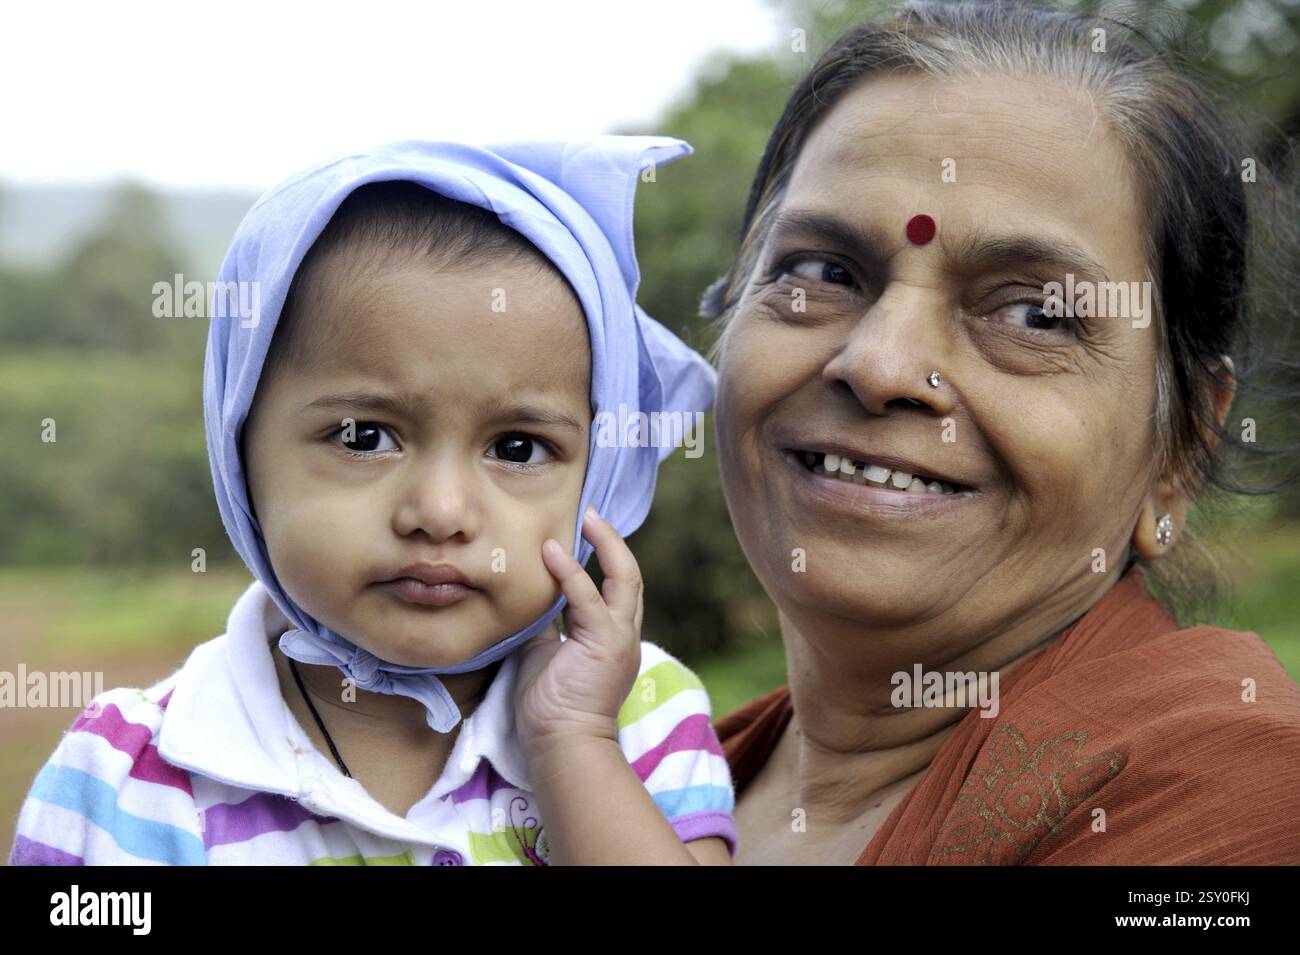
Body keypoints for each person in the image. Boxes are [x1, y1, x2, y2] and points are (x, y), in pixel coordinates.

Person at [10, 136, 735, 865]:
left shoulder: (643, 721)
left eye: (517, 448)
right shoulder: (123, 777)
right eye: (364, 436)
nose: (441, 511)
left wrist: (574, 742)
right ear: (239, 446)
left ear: (601, 473)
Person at [700, 0, 1300, 864]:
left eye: (1032, 312)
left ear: (1180, 454)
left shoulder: (1223, 800)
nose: (880, 364)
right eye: (823, 271)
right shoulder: (636, 775)